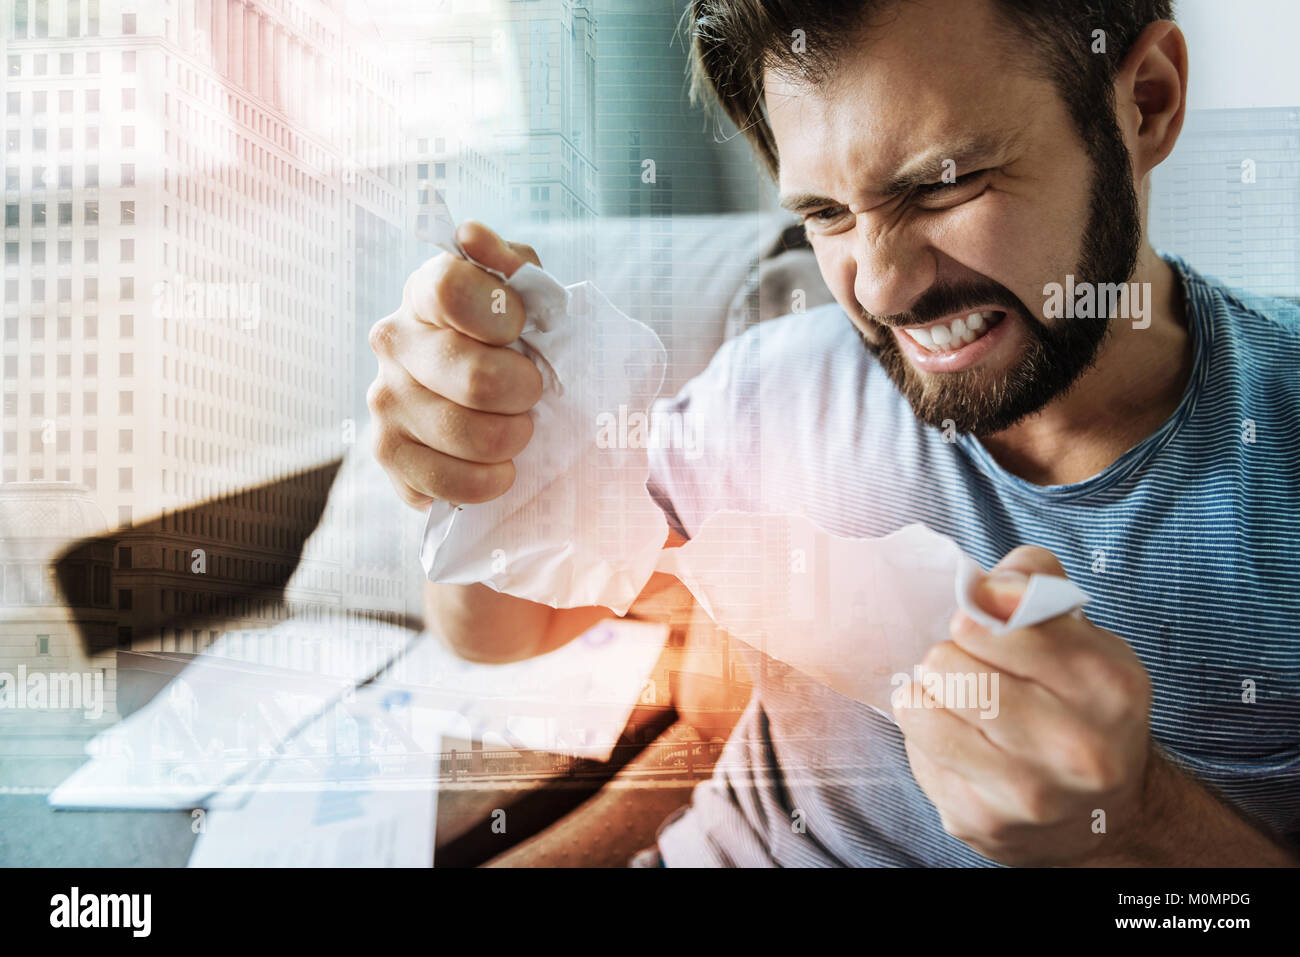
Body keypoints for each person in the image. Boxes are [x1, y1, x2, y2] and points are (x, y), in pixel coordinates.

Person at [366, 0, 1300, 866]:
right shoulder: (777, 384)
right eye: (826, 214)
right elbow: (499, 628)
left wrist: (1137, 817)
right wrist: (479, 463)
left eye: (947, 185)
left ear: (1147, 102)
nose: (881, 290)